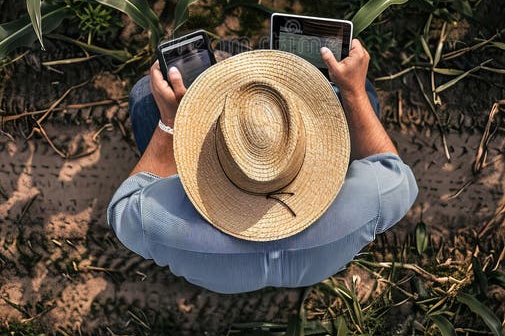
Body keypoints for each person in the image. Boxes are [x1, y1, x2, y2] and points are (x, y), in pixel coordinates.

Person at [108, 39, 417, 293]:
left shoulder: (163, 223)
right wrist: (353, 92)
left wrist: (171, 122)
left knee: (143, 96)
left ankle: (223, 57)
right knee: (363, 96)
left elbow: (122, 208)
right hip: (308, 270)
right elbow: (397, 173)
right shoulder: (368, 197)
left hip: (223, 278)